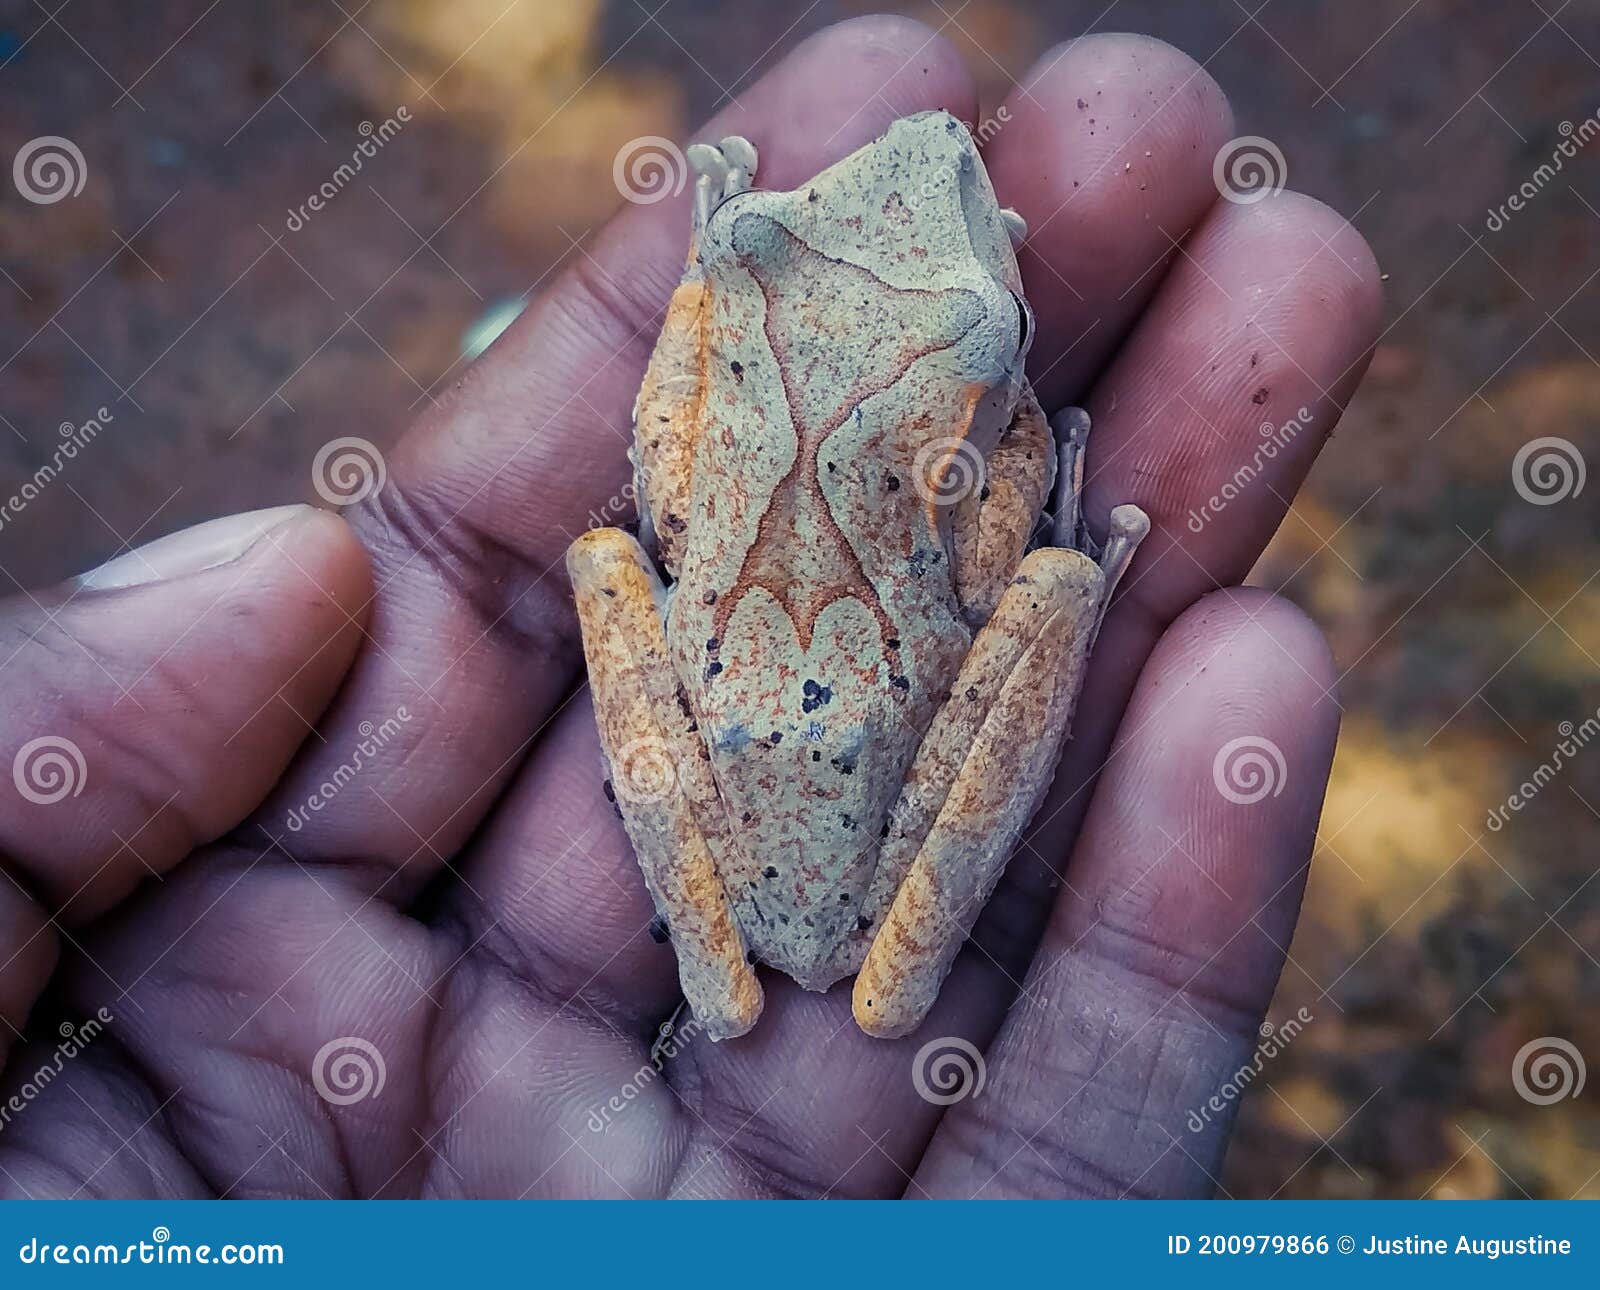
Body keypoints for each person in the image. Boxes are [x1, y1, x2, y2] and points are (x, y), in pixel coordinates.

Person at [0, 16, 1378, 1199]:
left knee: (607, 564)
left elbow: (661, 501)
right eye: (754, 251)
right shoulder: (970, 446)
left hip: (757, 751)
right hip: (856, 829)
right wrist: (1033, 480)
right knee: (1051, 578)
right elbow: (981, 569)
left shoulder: (697, 410)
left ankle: (727, 964)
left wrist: (720, 266)